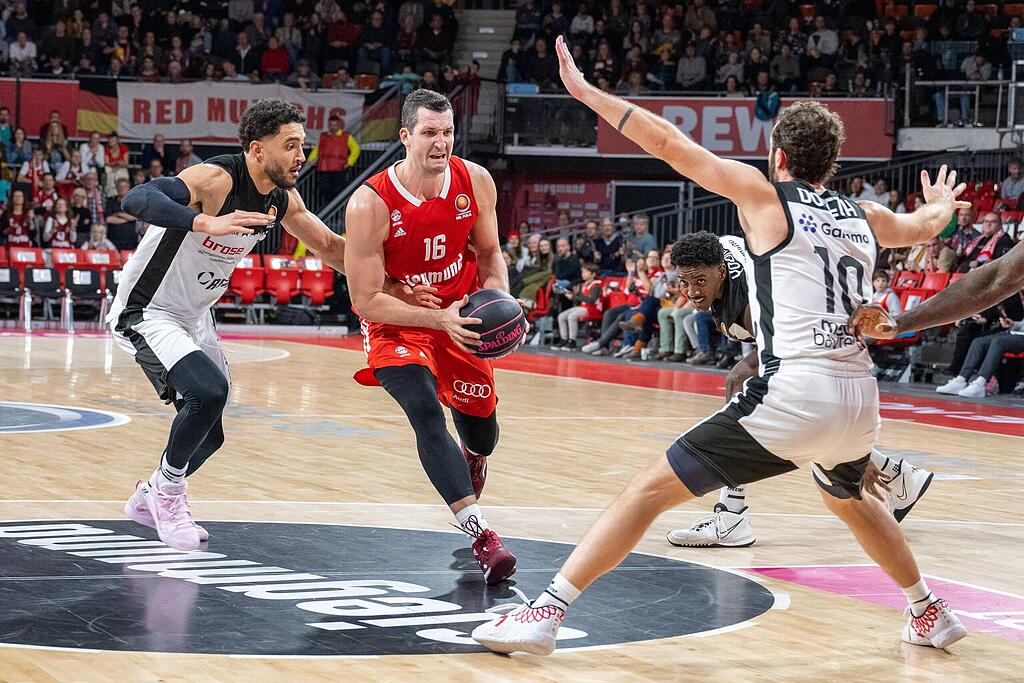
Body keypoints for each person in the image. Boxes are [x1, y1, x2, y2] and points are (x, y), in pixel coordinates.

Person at [473, 36, 970, 655]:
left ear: (778, 154)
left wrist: (587, 94)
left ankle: (542, 616)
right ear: (831, 163)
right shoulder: (866, 215)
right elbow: (928, 226)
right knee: (849, 495)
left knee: (647, 490)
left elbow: (669, 144)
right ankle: (928, 611)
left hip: (797, 389)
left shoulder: (765, 196)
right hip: (860, 398)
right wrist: (943, 208)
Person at [109, 100, 352, 553]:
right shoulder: (215, 178)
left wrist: (397, 284)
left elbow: (332, 249)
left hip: (195, 316)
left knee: (211, 431)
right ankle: (167, 496)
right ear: (257, 150)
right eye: (291, 146)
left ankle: (148, 497)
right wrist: (205, 220)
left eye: (304, 146)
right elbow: (136, 199)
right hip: (148, 309)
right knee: (209, 393)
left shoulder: (282, 200)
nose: (302, 156)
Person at [344, 89, 519, 586]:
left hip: (460, 317)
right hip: (396, 321)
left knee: (483, 433)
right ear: (405, 137)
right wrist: (436, 318)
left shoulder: (475, 181)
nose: (441, 143)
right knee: (423, 408)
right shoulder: (369, 204)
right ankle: (481, 534)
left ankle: (472, 458)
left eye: (447, 133)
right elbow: (365, 299)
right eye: (429, 133)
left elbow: (489, 255)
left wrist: (499, 307)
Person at [308, 115, 360, 205]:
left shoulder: (346, 136)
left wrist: (350, 162)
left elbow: (356, 149)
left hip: (339, 169)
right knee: (324, 189)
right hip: (324, 168)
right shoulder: (324, 136)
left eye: (335, 125)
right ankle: (329, 206)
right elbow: (317, 149)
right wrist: (310, 160)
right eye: (331, 125)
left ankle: (334, 210)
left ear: (339, 125)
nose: (333, 127)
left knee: (338, 191)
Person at [552, 262, 602, 350]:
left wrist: (575, 296)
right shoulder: (583, 285)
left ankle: (572, 341)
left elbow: (591, 300)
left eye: (585, 272)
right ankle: (564, 339)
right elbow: (580, 298)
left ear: (593, 274)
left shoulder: (596, 285)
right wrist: (572, 296)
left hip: (593, 309)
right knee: (561, 316)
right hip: (583, 307)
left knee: (572, 316)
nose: (583, 274)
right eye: (582, 272)